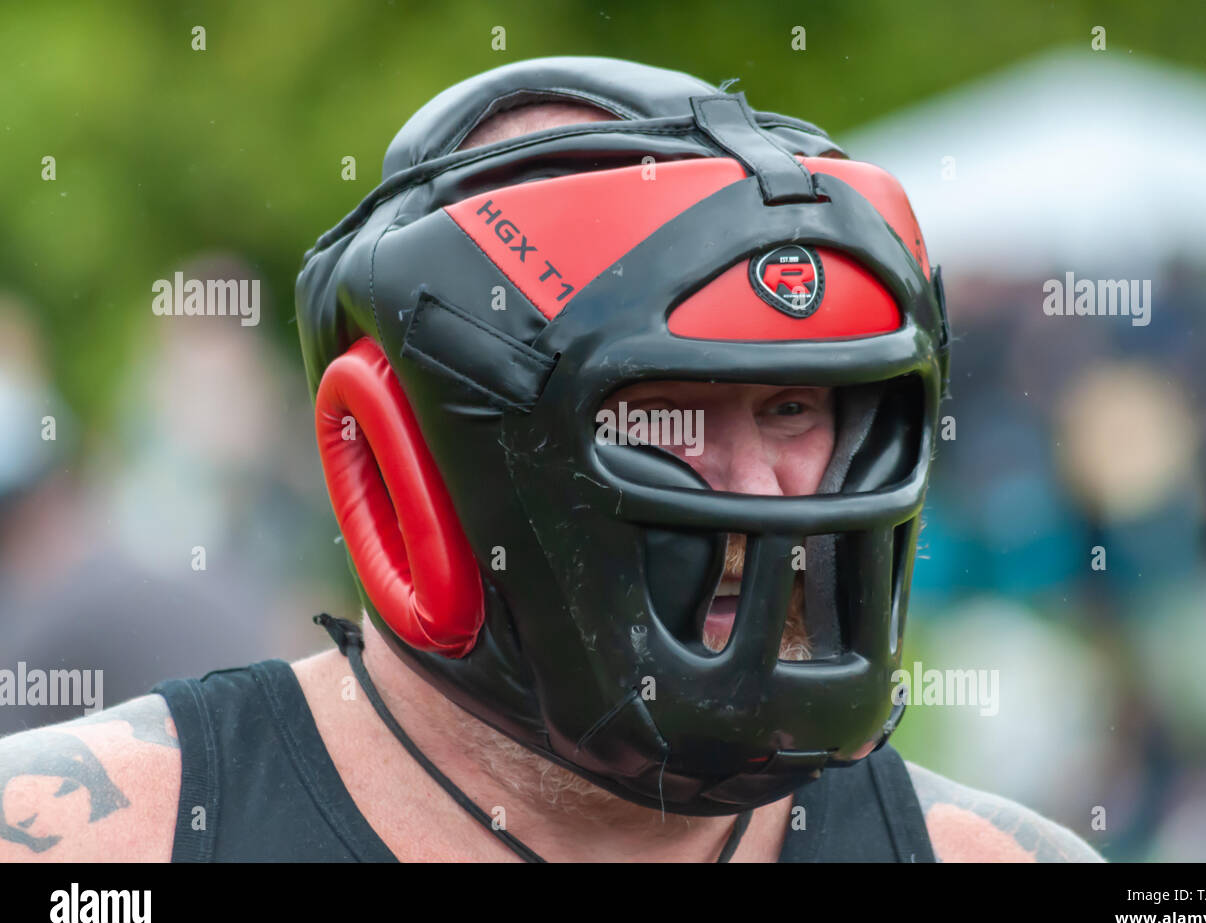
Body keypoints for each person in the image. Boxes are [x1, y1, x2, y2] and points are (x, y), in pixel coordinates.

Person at [0, 56, 1102, 863]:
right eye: (663, 412)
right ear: (417, 455)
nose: (768, 490)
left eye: (790, 405)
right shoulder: (98, 840)